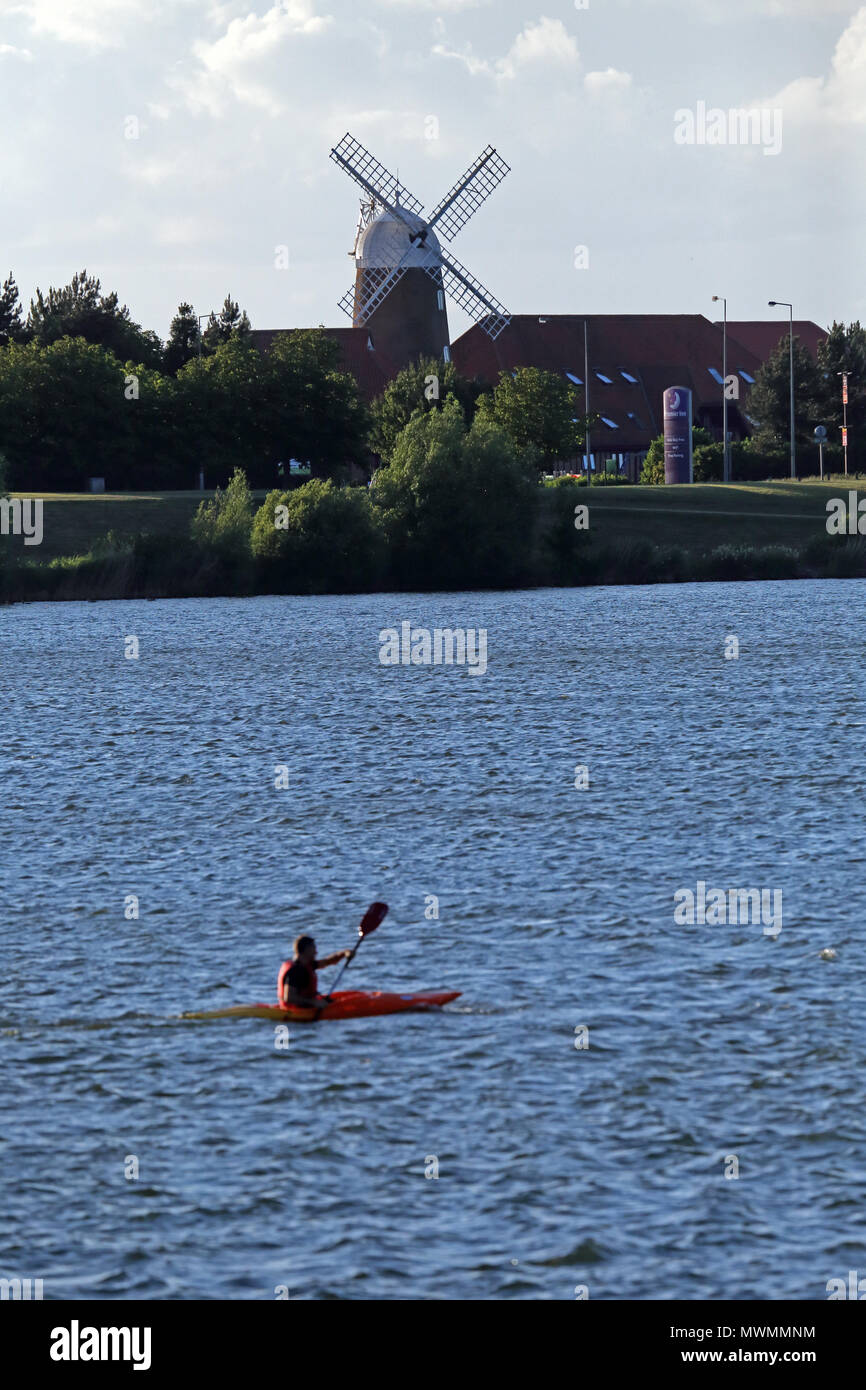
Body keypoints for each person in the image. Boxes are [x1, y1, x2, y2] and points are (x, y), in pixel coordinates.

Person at [277, 935, 351, 1010]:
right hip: (296, 1011)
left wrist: (344, 953)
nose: (316, 952)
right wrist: (313, 1002)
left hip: (307, 1005)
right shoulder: (295, 971)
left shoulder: (307, 964)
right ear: (306, 950)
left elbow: (328, 961)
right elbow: (289, 998)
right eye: (314, 949)